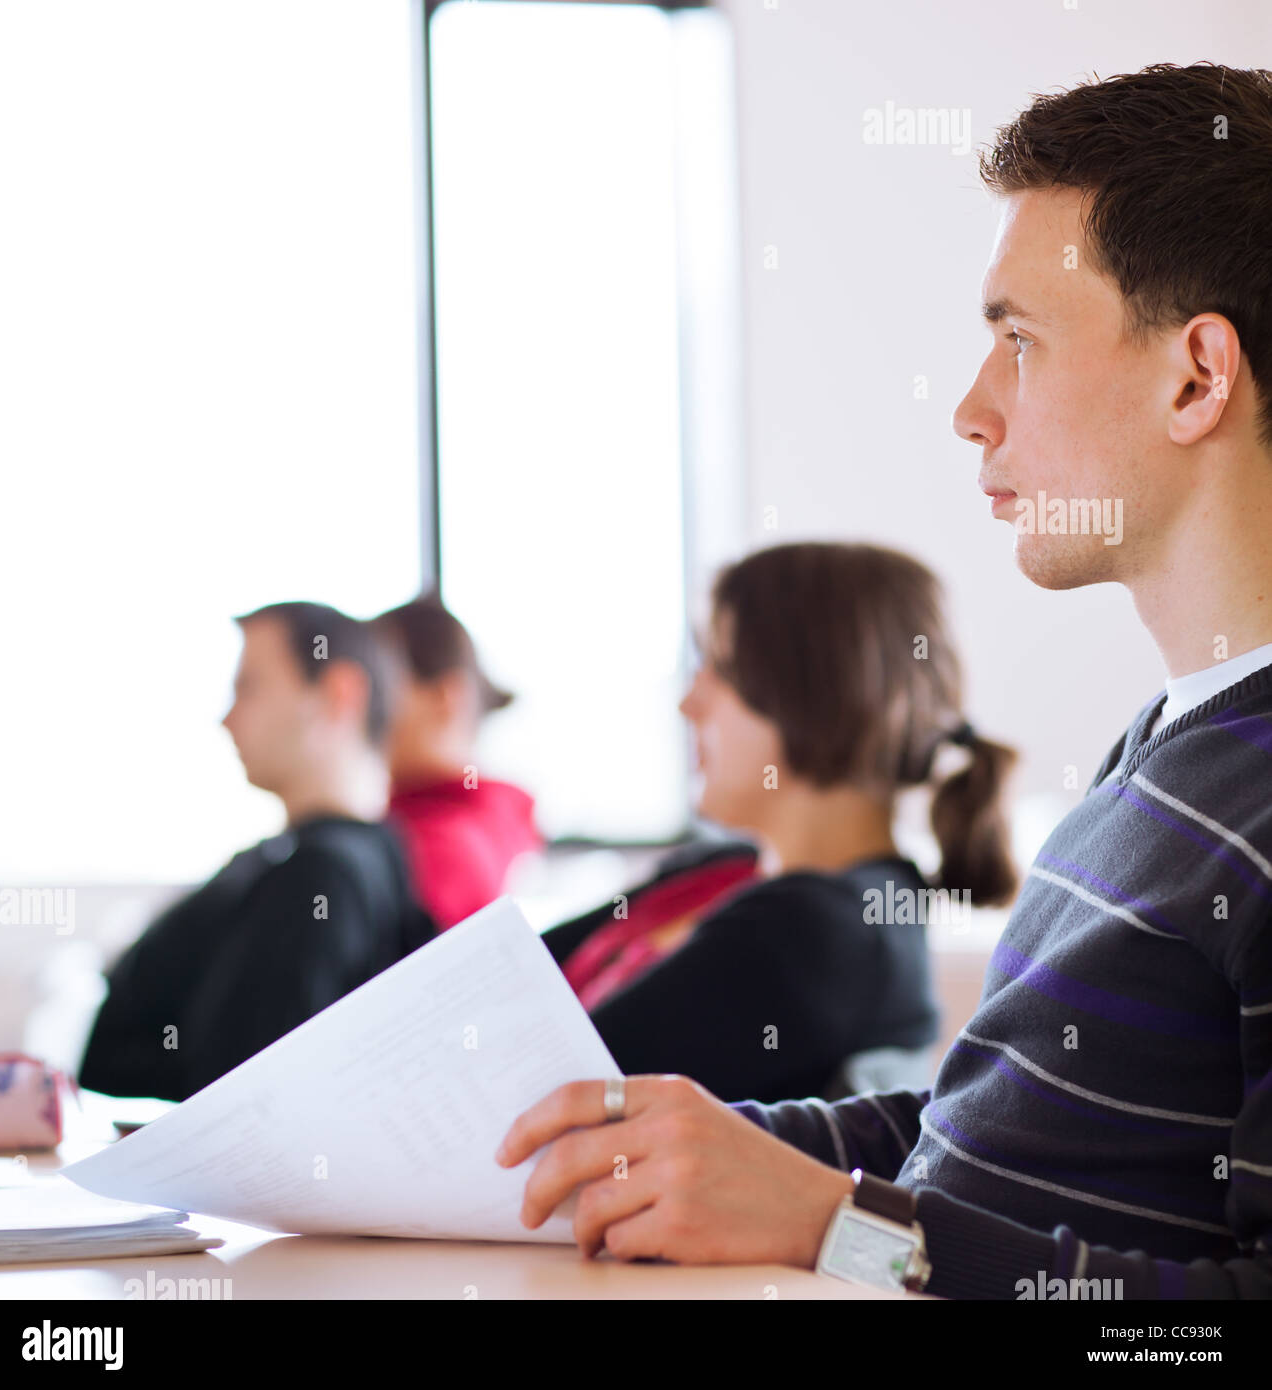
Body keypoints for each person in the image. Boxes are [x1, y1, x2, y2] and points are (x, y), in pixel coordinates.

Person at [496, 63, 1272, 1300]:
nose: (970, 410)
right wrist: (699, 1145)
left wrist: (839, 1230)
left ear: (1195, 378)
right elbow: (983, 1137)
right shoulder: (1169, 747)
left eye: (1017, 341)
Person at [540, 542, 1017, 1104]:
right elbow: (510, 974)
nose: (690, 703)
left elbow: (542, 1088)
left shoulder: (819, 930)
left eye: (719, 669)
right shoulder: (727, 866)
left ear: (812, 695)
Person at [79, 602, 436, 1102]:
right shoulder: (366, 859)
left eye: (249, 687)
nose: (227, 718)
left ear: (338, 695)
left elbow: (244, 1102)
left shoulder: (320, 874)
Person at [372, 593, 542, 928]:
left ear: (443, 697)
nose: (362, 706)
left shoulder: (437, 848)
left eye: (378, 684)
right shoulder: (499, 818)